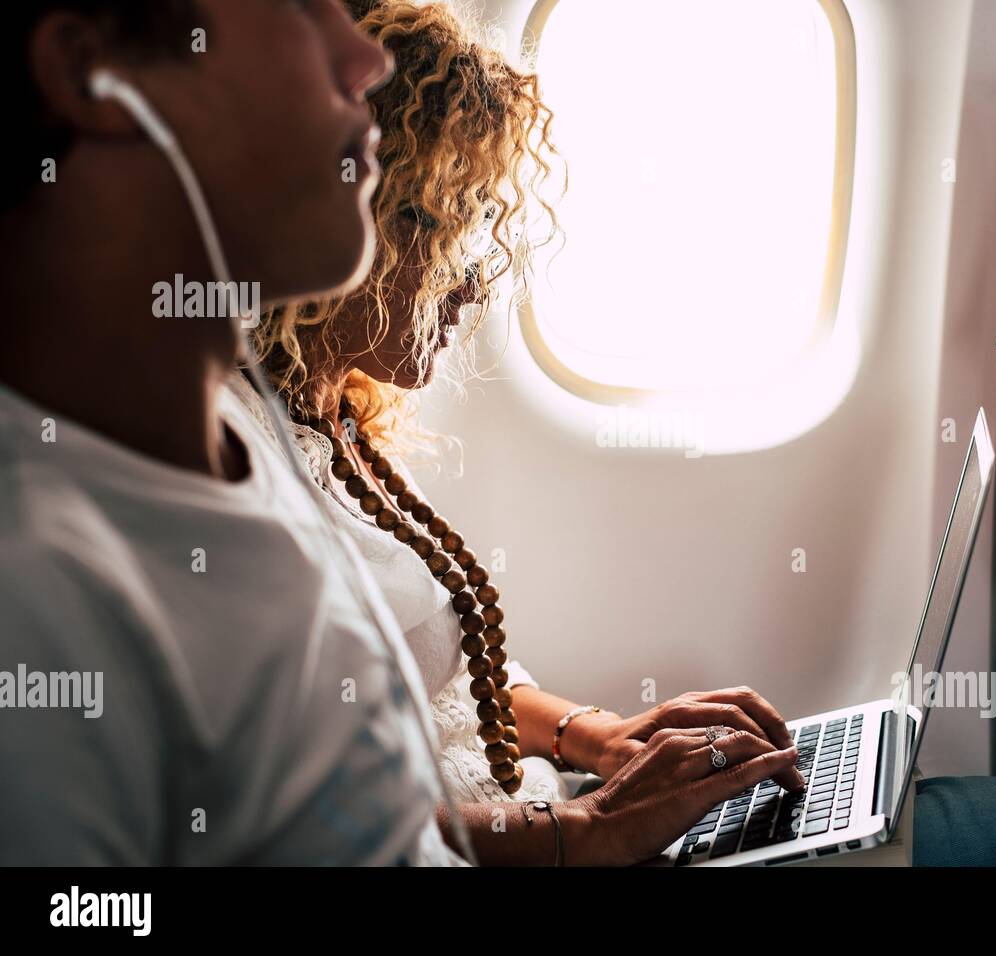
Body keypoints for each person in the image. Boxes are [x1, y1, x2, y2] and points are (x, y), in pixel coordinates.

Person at [244, 0, 996, 867]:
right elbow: (309, 830)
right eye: (442, 229)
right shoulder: (239, 461)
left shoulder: (334, 420)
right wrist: (590, 832)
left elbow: (451, 690)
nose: (473, 288)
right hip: (531, 849)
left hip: (551, 816)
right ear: (355, 213)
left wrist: (603, 737)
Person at [0, 0, 797, 867]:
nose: (361, 56)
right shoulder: (53, 564)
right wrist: (587, 831)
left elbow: (401, 747)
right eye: (305, 11)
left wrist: (595, 742)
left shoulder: (269, 445)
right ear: (90, 72)